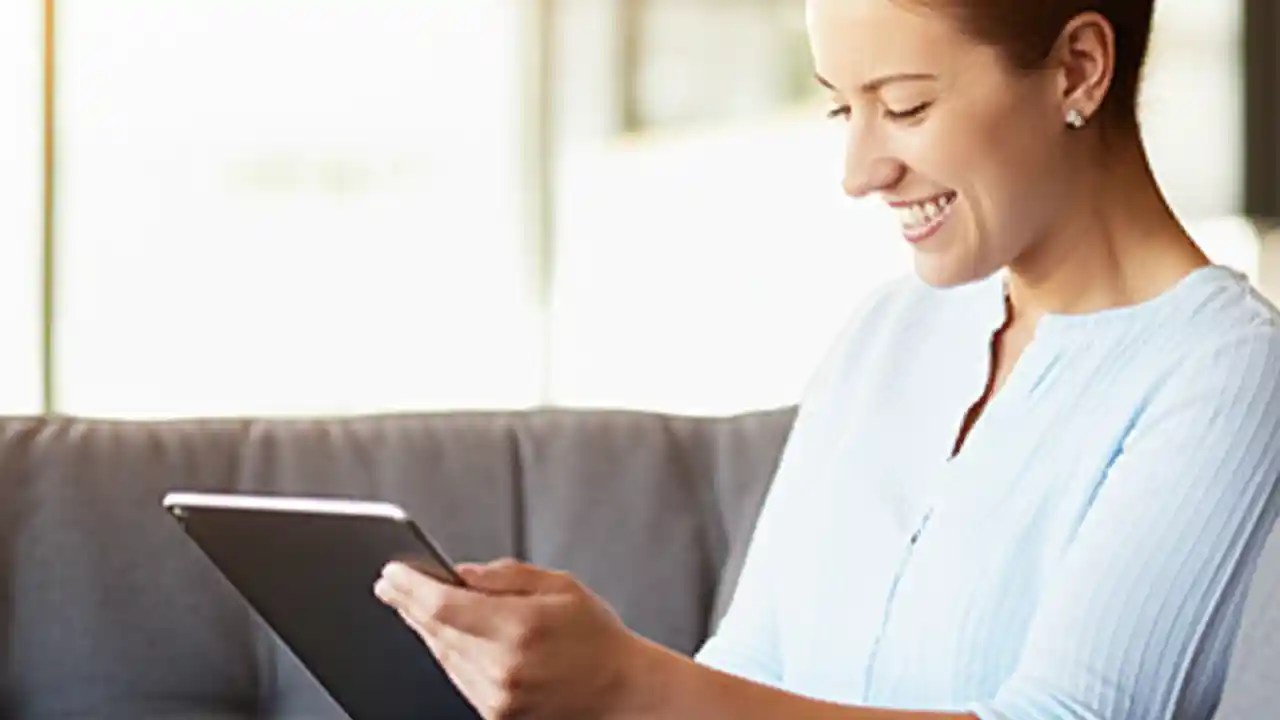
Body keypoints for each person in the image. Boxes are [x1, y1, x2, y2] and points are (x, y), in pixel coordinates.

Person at [372, 0, 1280, 717]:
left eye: (905, 105)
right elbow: (751, 667)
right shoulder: (891, 334)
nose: (858, 170)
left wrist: (629, 686)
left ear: (1077, 69)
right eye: (843, 107)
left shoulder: (1222, 373)